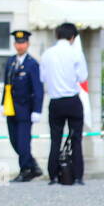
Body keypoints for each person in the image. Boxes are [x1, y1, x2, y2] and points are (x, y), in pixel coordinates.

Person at [39, 21, 87, 185]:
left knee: (55, 139)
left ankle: (53, 175)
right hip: (72, 100)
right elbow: (83, 77)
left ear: (57, 35)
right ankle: (78, 176)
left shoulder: (47, 54)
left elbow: (42, 78)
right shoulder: (75, 54)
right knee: (76, 139)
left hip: (55, 101)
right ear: (72, 37)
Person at [2, 29, 43, 182]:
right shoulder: (11, 62)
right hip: (11, 107)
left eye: (23, 43)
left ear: (28, 44)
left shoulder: (32, 64)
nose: (20, 46)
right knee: (14, 140)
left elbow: (38, 89)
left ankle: (26, 169)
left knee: (23, 141)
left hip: (26, 108)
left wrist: (37, 110)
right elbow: (6, 85)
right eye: (18, 43)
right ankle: (33, 166)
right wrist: (2, 104)